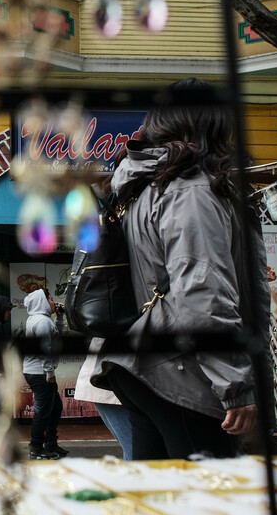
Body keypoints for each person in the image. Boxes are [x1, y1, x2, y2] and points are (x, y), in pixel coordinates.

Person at [92, 78, 263, 459]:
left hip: (148, 364)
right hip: (181, 371)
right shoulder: (192, 190)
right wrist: (235, 386)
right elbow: (202, 293)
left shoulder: (145, 189)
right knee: (209, 504)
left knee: (159, 502)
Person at [22, 289, 66, 460]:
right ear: (43, 301)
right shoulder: (42, 322)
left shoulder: (41, 319)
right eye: (50, 299)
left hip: (38, 371)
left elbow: (55, 339)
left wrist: (60, 318)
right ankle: (36, 447)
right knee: (44, 411)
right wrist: (50, 373)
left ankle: (51, 444)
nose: (53, 302)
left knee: (54, 407)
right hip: (40, 373)